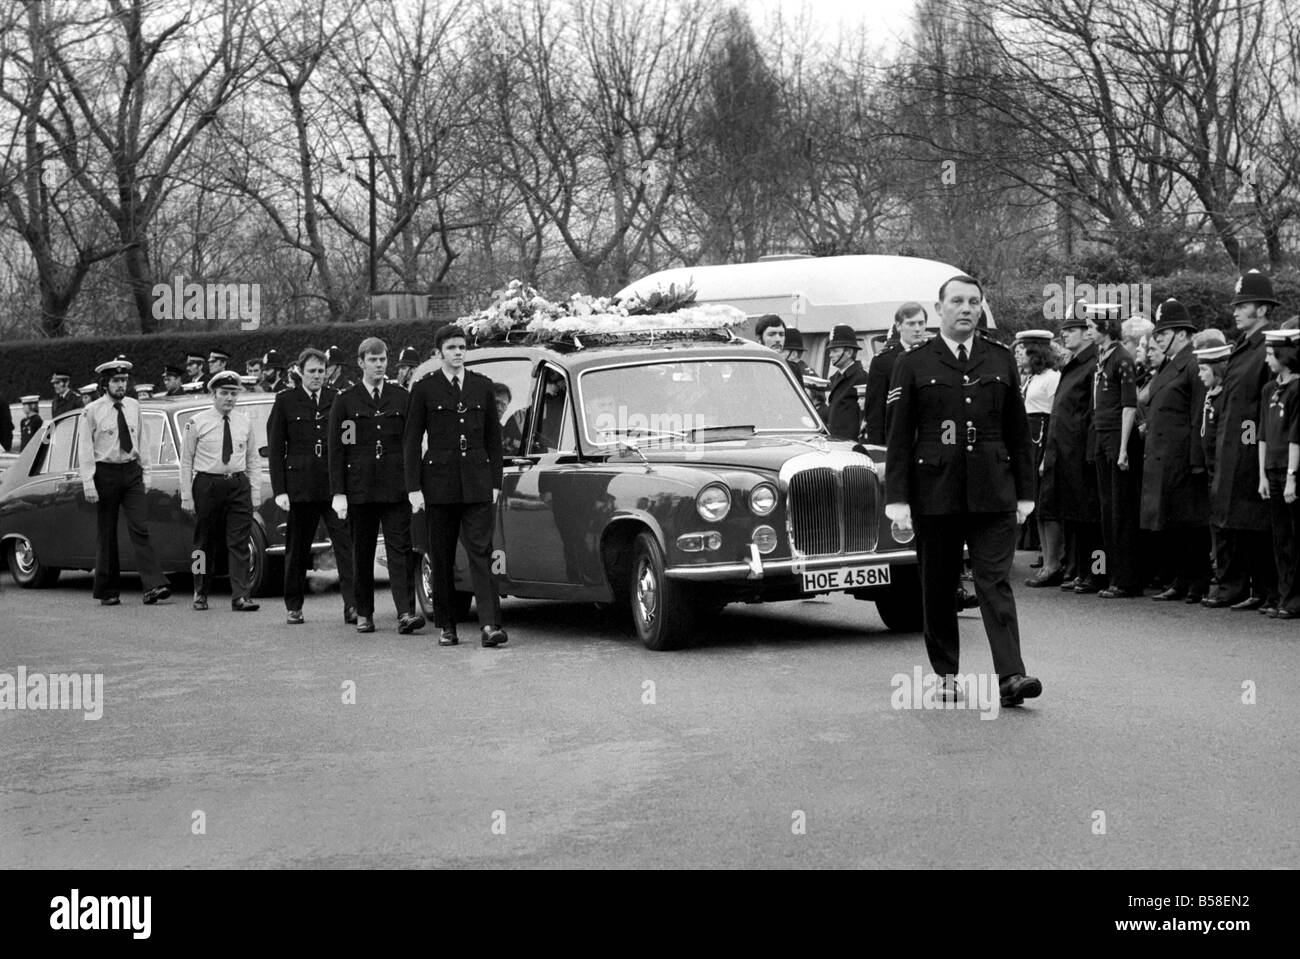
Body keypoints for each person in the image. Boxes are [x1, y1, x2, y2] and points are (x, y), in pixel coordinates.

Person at [885, 274, 1041, 707]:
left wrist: (1025, 492)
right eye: (957, 301)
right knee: (938, 586)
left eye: (974, 301)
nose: (966, 308)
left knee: (995, 583)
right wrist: (896, 497)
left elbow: (1017, 429)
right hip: (935, 491)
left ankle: (1012, 676)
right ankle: (946, 675)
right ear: (940, 310)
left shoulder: (998, 358)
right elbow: (899, 436)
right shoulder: (914, 363)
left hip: (993, 489)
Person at [405, 323, 507, 648]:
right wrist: (414, 488)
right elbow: (410, 441)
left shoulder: (482, 386)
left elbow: (493, 437)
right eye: (451, 348)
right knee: (442, 555)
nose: (458, 353)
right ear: (439, 354)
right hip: (439, 484)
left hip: (477, 483)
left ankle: (490, 624)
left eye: (462, 347)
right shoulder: (425, 389)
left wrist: (495, 481)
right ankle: (447, 625)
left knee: (482, 551)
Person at [329, 337, 422, 635]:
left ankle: (406, 612)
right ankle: (364, 612)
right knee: (362, 552)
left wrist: (413, 485)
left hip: (395, 486)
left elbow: (411, 443)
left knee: (401, 550)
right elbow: (340, 448)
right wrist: (339, 492)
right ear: (360, 363)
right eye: (373, 360)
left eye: (382, 359)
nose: (379, 365)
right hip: (362, 488)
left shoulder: (400, 396)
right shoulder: (347, 400)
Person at [268, 348, 358, 626]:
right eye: (312, 371)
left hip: (333, 486)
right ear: (300, 372)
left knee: (346, 546)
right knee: (297, 548)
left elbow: (349, 440)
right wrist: (280, 489)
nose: (317, 376)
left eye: (321, 371)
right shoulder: (285, 401)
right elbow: (275, 448)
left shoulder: (337, 399)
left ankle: (353, 605)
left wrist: (349, 482)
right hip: (301, 486)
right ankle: (294, 605)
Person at [1206, 270, 1278, 611]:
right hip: (1231, 444)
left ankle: (1267, 589)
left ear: (1262, 310)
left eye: (1243, 305)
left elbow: (1266, 401)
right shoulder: (1243, 345)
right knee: (1238, 521)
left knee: (1258, 522)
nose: (1235, 311)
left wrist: (1255, 445)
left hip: (1252, 448)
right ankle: (1250, 587)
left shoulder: (1270, 345)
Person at [76, 356, 171, 607]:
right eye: (116, 381)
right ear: (105, 383)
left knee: (140, 527)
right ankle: (108, 590)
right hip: (105, 474)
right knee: (107, 533)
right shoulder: (92, 411)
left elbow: (142, 441)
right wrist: (88, 482)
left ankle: (154, 585)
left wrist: (146, 474)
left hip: (131, 472)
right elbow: (85, 450)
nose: (121, 385)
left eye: (124, 380)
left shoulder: (133, 406)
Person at [1139, 299, 1210, 604]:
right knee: (1172, 524)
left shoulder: (1192, 364)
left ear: (1181, 333)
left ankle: (1198, 580)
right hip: (1162, 454)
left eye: (1163, 332)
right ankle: (1181, 579)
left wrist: (1197, 460)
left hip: (1182, 456)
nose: (1157, 338)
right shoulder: (1170, 364)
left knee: (1189, 523)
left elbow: (1199, 415)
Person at [180, 370, 262, 612]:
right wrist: (186, 495)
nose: (229, 398)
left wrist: (254, 492)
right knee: (203, 543)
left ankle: (241, 595)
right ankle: (200, 591)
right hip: (207, 485)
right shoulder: (197, 423)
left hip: (237, 484)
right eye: (224, 393)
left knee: (238, 542)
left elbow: (253, 459)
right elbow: (186, 461)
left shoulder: (244, 422)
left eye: (233, 394)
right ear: (213, 395)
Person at [1039, 301, 1104, 593]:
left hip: (1080, 453)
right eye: (1065, 330)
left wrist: (1089, 452)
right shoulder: (1073, 365)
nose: (1065, 335)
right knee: (1073, 518)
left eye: (1072, 330)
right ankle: (1078, 570)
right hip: (1063, 452)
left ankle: (1096, 572)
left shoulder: (1093, 365)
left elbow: (1093, 413)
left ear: (1088, 333)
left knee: (1090, 519)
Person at [1087, 303, 1143, 598]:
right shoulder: (1103, 356)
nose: (1088, 331)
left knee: (1121, 510)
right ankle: (1111, 576)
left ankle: (1126, 580)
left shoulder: (1122, 359)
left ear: (1105, 328)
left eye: (1091, 326)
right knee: (1107, 508)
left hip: (1117, 438)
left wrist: (1122, 448)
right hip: (1102, 435)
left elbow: (1128, 406)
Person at [1258, 328, 1300, 618]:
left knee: (1294, 537)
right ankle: (1284, 596)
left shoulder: (1297, 389)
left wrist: (1291, 476)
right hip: (1271, 469)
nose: (1267, 360)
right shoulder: (1269, 389)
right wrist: (1261, 474)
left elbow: (1296, 435)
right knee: (1280, 538)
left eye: (1271, 354)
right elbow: (1261, 433)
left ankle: (1295, 598)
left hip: (1289, 471)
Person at [1015, 330, 1062, 582]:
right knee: (1037, 503)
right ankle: (1046, 558)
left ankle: (1053, 563)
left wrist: (1047, 455)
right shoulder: (1032, 378)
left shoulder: (1051, 378)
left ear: (1036, 352)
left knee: (1047, 504)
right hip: (1031, 440)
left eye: (1023, 349)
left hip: (1043, 439)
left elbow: (1056, 416)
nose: (1018, 353)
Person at [1191, 334, 1230, 605]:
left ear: (1216, 369)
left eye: (1204, 369)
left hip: (1221, 470)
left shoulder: (1224, 396)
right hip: (1208, 469)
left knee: (1224, 529)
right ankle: (1218, 575)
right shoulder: (1209, 394)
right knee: (1214, 526)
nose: (1200, 375)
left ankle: (1225, 580)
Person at [863, 303, 929, 446]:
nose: (917, 329)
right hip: (898, 443)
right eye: (911, 324)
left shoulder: (934, 357)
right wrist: (878, 449)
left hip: (929, 445)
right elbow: (875, 412)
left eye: (921, 323)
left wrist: (948, 443)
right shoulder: (883, 361)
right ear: (898, 326)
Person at [824, 324, 869, 441]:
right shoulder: (835, 378)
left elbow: (863, 416)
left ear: (848, 352)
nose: (830, 355)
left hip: (849, 442)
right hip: (835, 440)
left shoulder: (861, 378)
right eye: (830, 351)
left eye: (834, 351)